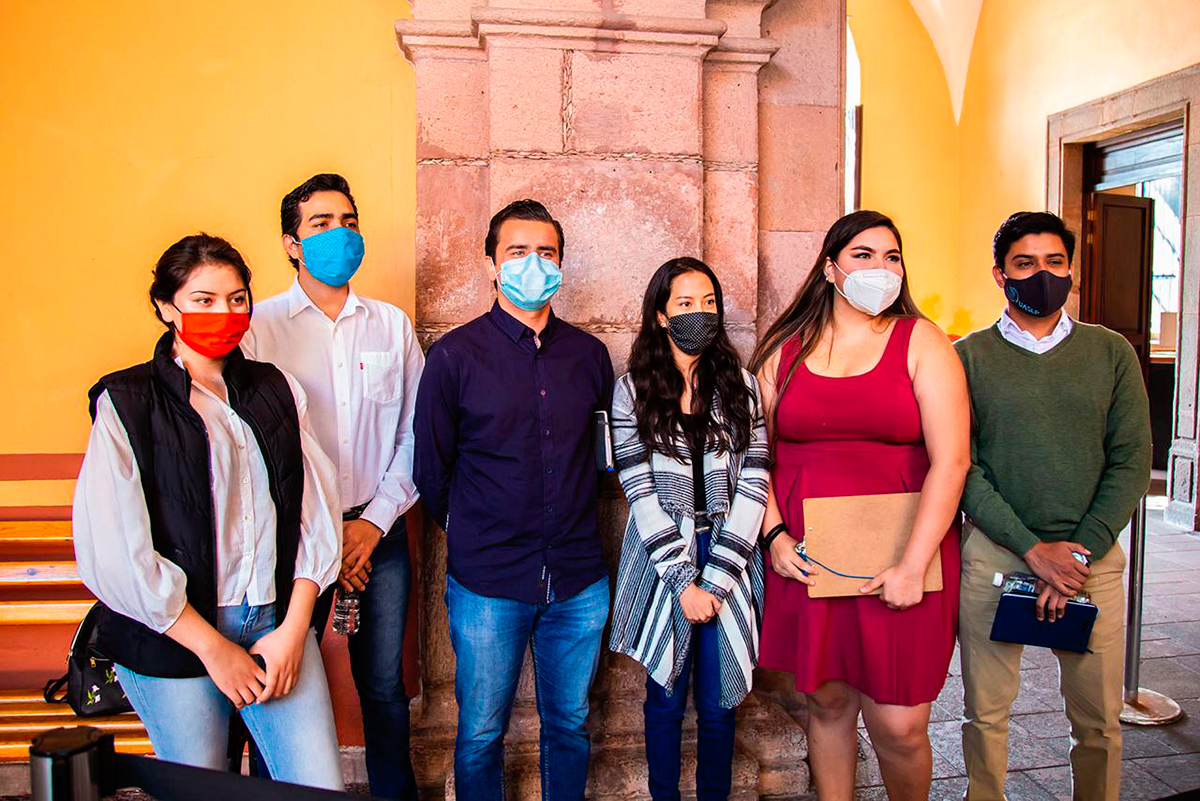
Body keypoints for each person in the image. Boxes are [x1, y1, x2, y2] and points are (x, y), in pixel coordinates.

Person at [72, 234, 343, 789]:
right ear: (166, 307)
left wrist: (294, 631)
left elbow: (315, 516)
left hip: (275, 623)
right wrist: (214, 650)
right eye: (204, 299)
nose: (225, 312)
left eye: (237, 299)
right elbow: (119, 552)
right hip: (175, 634)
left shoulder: (277, 389)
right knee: (202, 787)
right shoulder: (127, 401)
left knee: (318, 786)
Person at [749, 210, 970, 801]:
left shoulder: (922, 341)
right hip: (809, 554)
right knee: (827, 703)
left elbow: (952, 461)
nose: (881, 268)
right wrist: (773, 535)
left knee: (900, 725)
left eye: (892, 257)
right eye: (863, 256)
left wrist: (912, 565)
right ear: (830, 268)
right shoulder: (783, 352)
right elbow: (752, 456)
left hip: (905, 551)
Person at [412, 199, 614, 801]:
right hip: (488, 582)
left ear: (561, 265)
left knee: (570, 725)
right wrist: (477, 530)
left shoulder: (589, 356)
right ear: (491, 265)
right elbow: (432, 470)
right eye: (518, 251)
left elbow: (601, 459)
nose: (534, 263)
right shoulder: (454, 356)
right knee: (480, 732)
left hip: (577, 578)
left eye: (546, 252)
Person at [239, 173, 424, 800]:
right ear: (292, 243)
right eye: (320, 223)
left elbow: (416, 433)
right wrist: (324, 533)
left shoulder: (391, 326)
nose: (339, 233)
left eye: (349, 220)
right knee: (279, 680)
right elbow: (252, 446)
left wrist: (371, 524)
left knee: (385, 685)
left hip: (379, 531)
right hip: (291, 539)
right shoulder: (259, 329)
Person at [956, 211, 1151, 801]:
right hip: (999, 554)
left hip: (1091, 561)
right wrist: (1033, 550)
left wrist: (1076, 554)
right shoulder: (967, 357)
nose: (1042, 275)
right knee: (985, 716)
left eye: (1054, 262)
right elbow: (962, 465)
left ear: (1072, 271)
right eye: (1024, 264)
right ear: (999, 274)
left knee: (1099, 722)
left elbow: (1132, 460)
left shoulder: (1110, 352)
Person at [608, 258, 769, 801]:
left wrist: (717, 579)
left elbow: (755, 483)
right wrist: (684, 582)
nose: (700, 313)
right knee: (665, 699)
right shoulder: (632, 391)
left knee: (720, 703)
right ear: (661, 315)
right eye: (685, 303)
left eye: (709, 302)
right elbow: (639, 492)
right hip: (662, 556)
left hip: (731, 552)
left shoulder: (743, 387)